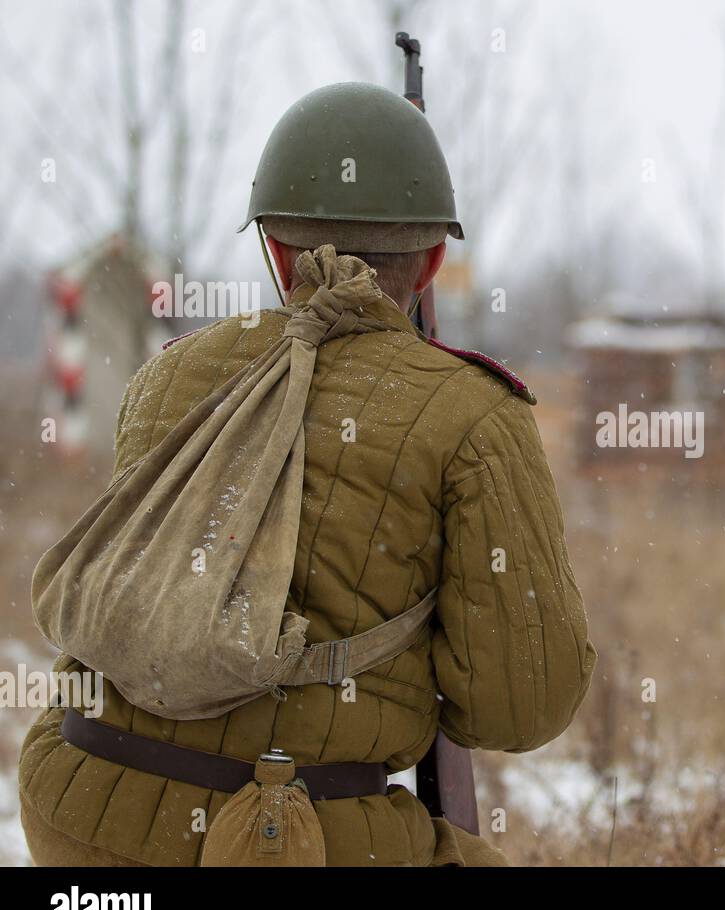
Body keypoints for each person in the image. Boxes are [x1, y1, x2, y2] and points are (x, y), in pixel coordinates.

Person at [19, 81, 596, 867]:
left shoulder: (167, 378)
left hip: (75, 795)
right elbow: (523, 708)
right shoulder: (472, 413)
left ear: (274, 250)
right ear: (430, 260)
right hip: (282, 837)